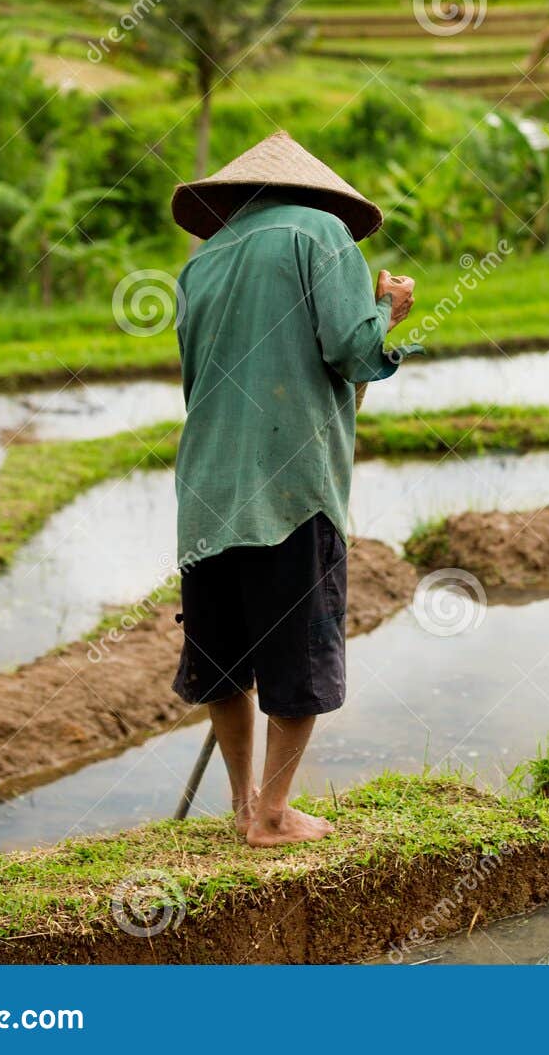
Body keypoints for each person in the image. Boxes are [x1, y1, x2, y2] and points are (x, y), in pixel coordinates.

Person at [167, 131, 417, 847]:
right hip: (292, 488)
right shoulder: (324, 233)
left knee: (221, 660)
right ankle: (273, 813)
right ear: (318, 193)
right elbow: (352, 350)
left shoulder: (203, 261)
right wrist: (388, 312)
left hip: (208, 488)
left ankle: (244, 802)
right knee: (296, 657)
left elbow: (194, 381)